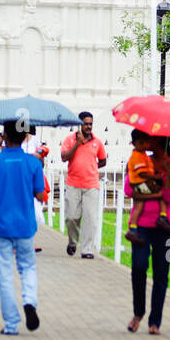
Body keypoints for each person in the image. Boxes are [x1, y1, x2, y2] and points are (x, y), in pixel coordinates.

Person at [0, 120, 46, 335]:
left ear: (5, 136)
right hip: (25, 225)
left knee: (5, 275)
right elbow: (40, 194)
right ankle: (30, 302)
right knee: (27, 267)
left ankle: (11, 324)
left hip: (2, 225)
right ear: (25, 137)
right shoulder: (33, 163)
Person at [126, 136, 170, 335]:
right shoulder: (141, 160)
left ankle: (155, 320)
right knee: (138, 267)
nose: (151, 144)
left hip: (166, 226)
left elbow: (168, 196)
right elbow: (129, 190)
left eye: (155, 141)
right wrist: (154, 188)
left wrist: (147, 189)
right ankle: (138, 312)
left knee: (161, 273)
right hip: (141, 225)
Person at [60, 110, 106, 258]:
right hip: (73, 183)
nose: (88, 127)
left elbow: (103, 160)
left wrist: (92, 168)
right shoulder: (69, 140)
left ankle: (87, 249)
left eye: (90, 124)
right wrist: (78, 144)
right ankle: (73, 242)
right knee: (72, 217)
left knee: (90, 218)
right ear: (79, 125)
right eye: (85, 124)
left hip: (91, 185)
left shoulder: (97, 142)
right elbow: (64, 157)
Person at [125, 129, 165, 242]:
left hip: (139, 182)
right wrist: (155, 177)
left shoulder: (142, 155)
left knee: (139, 206)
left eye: (146, 142)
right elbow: (141, 172)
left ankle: (133, 229)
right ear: (134, 144)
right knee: (162, 193)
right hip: (142, 182)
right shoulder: (137, 156)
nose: (144, 145)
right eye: (141, 143)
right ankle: (163, 216)